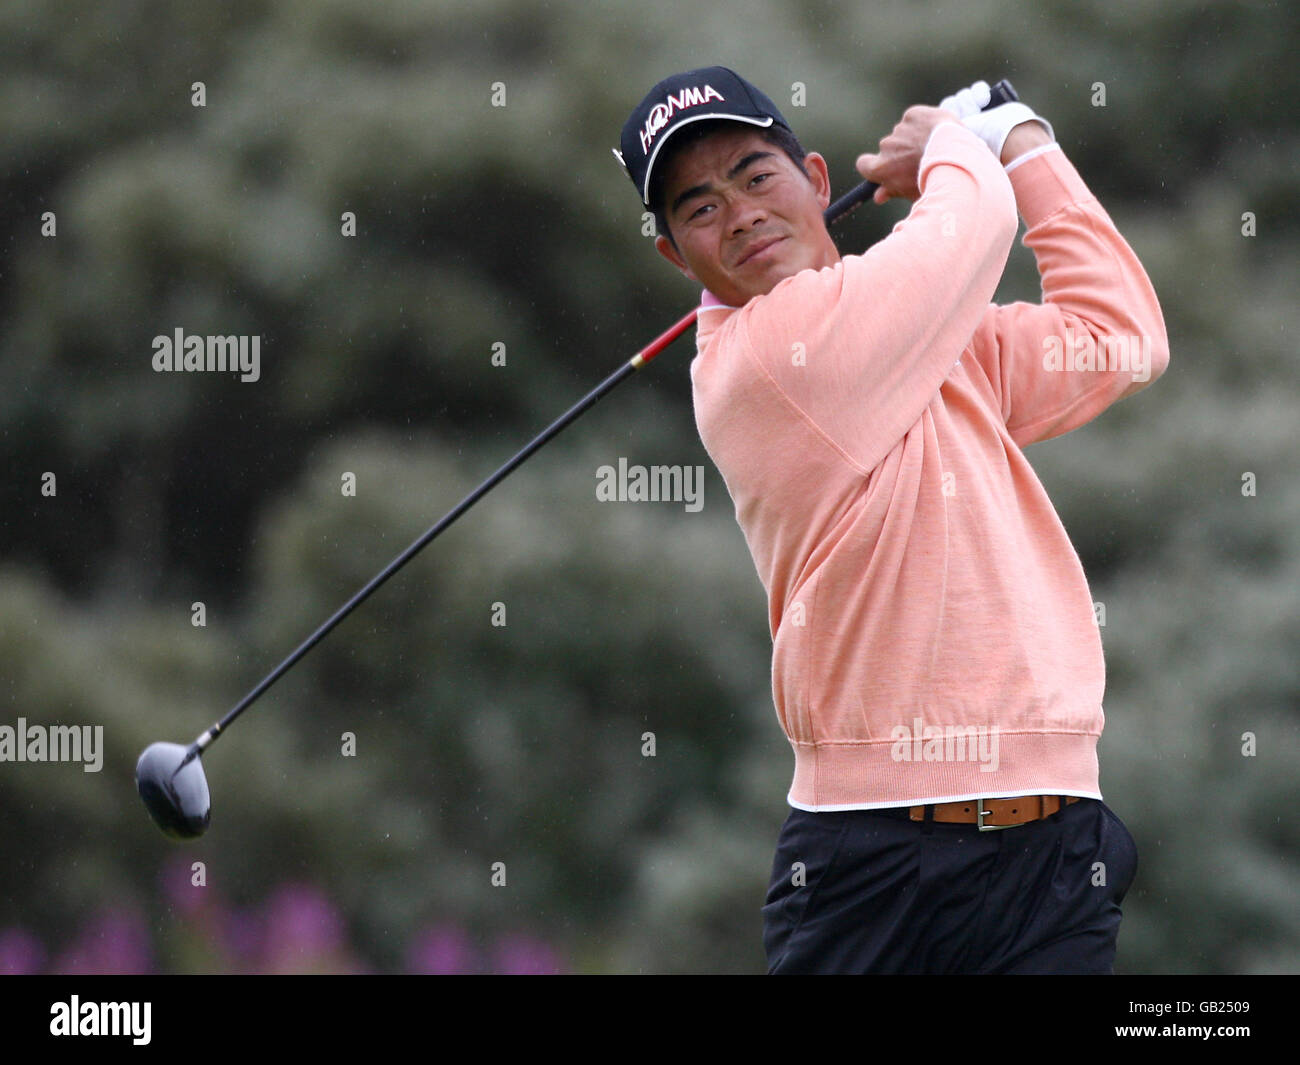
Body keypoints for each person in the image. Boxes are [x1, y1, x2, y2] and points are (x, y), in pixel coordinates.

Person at [615, 66, 1168, 974]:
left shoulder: (925, 337)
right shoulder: (764, 362)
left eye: (756, 176)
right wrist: (956, 144)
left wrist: (1030, 146)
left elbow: (1122, 337)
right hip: (872, 865)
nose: (741, 212)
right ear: (678, 255)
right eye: (699, 207)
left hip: (1056, 846)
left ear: (820, 184)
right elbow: (974, 222)